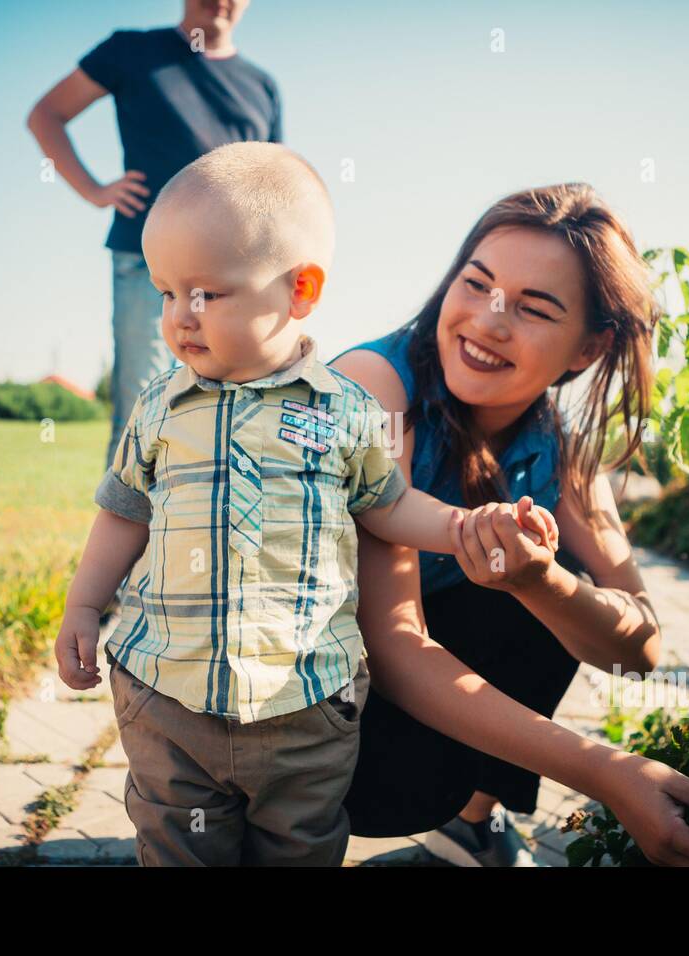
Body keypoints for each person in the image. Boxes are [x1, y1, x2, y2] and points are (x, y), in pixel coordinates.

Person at [53, 142, 556, 866]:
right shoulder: (160, 407)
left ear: (300, 291)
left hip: (304, 709)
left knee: (302, 849)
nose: (179, 319)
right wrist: (82, 605)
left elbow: (389, 505)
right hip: (167, 698)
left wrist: (468, 525)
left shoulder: (345, 410)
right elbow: (123, 511)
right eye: (166, 293)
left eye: (206, 294)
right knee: (178, 848)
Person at [330, 183, 689, 866]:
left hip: (416, 714)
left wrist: (541, 584)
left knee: (555, 581)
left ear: (588, 350)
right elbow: (390, 649)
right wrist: (607, 772)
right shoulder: (375, 387)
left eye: (535, 309)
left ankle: (471, 821)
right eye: (476, 284)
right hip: (313, 709)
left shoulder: (557, 448)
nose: (489, 321)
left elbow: (640, 645)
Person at [26, 0, 281, 471]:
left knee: (224, 412)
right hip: (149, 264)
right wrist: (94, 189)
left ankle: (196, 538)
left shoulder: (261, 86)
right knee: (144, 408)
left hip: (234, 276)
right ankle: (121, 545)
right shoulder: (131, 51)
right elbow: (46, 114)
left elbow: (274, 186)